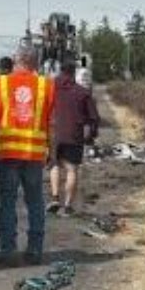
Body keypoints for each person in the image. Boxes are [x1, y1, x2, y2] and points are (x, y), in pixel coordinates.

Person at [0, 47, 55, 266]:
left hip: (6, 153)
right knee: (35, 201)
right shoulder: (47, 85)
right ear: (35, 64)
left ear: (17, 61)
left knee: (7, 202)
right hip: (34, 154)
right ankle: (35, 250)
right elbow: (51, 122)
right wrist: (52, 150)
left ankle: (8, 250)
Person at [48, 58, 99, 217]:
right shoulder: (82, 92)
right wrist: (91, 136)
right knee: (71, 169)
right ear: (73, 73)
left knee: (54, 165)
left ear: (60, 71)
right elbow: (94, 118)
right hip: (74, 134)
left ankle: (55, 198)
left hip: (55, 133)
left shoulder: (50, 88)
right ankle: (68, 206)